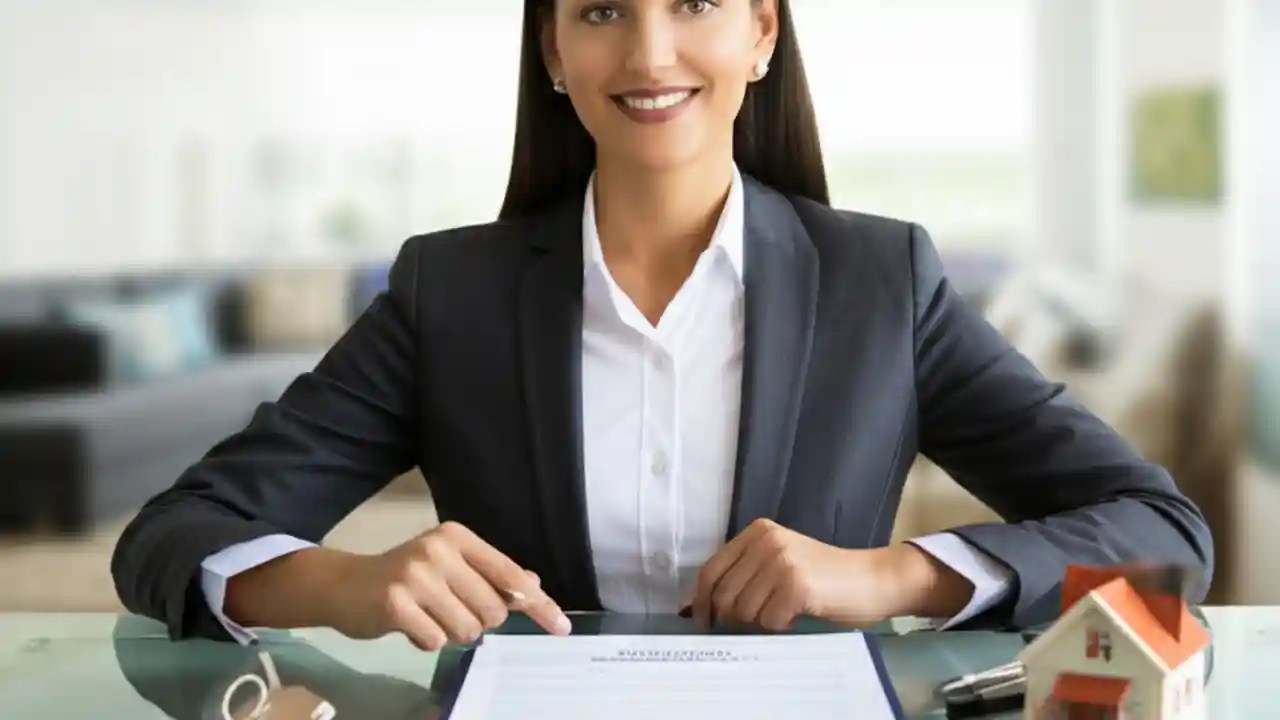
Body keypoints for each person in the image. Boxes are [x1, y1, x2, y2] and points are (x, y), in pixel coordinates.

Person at [111, 0, 1213, 651]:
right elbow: (169, 537)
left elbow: (1162, 535)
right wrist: (344, 584)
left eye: (691, 1)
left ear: (761, 33)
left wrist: (884, 577)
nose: (645, 56)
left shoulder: (882, 281)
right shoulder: (448, 294)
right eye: (599, 11)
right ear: (551, 51)